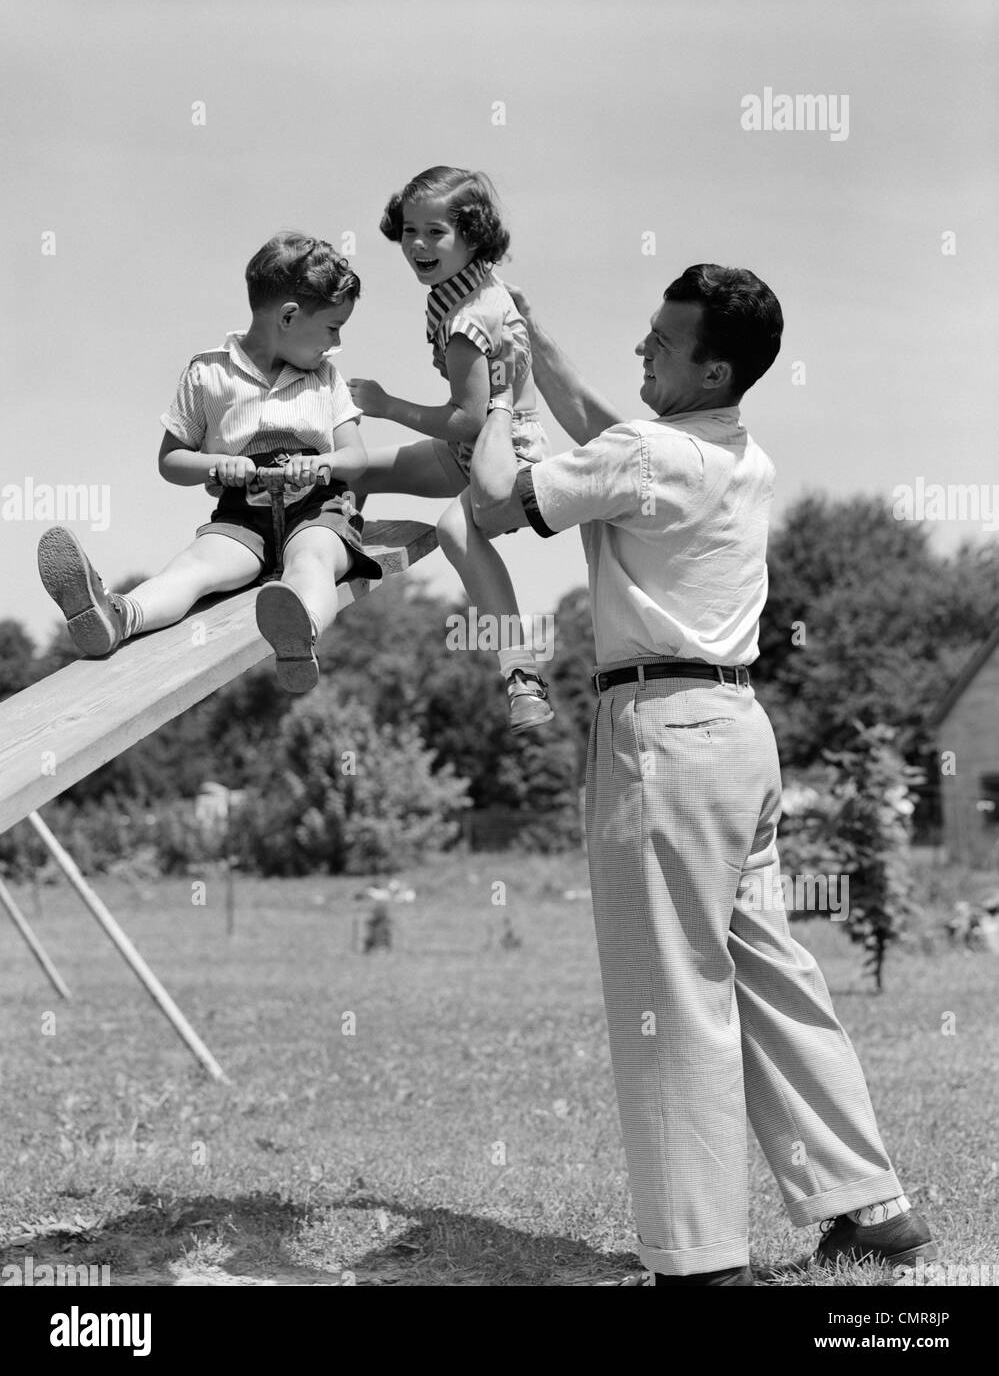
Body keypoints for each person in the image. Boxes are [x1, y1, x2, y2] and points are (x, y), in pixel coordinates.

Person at [470, 264, 937, 1285]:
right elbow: (615, 440)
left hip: (660, 734)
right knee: (771, 973)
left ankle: (696, 1259)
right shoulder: (733, 451)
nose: (643, 351)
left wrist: (494, 387)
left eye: (662, 344)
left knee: (667, 995)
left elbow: (501, 503)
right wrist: (537, 340)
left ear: (712, 366)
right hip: (735, 732)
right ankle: (869, 1203)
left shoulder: (646, 454)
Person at [37, 232, 380, 694]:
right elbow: (171, 460)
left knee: (313, 560)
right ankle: (117, 615)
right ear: (289, 316)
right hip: (243, 515)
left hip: (317, 510)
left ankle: (301, 631)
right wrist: (218, 464)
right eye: (332, 328)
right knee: (195, 567)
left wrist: (322, 466)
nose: (335, 342)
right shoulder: (208, 373)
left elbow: (355, 458)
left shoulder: (326, 379)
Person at [346, 165, 553, 733]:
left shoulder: (467, 319)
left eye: (435, 232)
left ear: (472, 234)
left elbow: (466, 420)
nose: (417, 244)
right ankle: (320, 570)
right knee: (356, 473)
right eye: (410, 230)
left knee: (454, 530)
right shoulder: (464, 286)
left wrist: (386, 405)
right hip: (471, 447)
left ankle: (521, 672)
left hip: (505, 455)